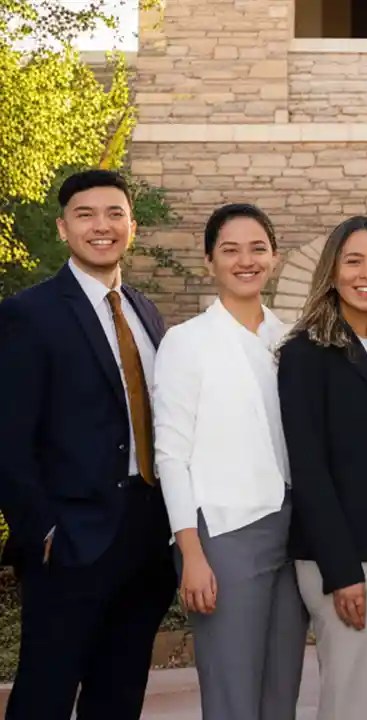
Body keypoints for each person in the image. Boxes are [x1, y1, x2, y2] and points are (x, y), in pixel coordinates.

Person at [0, 170, 176, 720]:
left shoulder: (146, 311)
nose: (102, 226)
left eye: (114, 213)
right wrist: (43, 531)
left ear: (132, 225)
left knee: (119, 696)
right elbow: (8, 438)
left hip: (147, 538)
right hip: (70, 542)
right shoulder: (29, 314)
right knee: (45, 696)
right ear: (63, 228)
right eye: (86, 214)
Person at [152, 203, 308, 720]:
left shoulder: (291, 340)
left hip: (293, 532)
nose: (246, 261)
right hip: (223, 536)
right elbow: (171, 454)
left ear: (275, 257)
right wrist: (191, 553)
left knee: (281, 693)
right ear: (209, 261)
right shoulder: (187, 342)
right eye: (231, 250)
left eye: (258, 249)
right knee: (232, 695)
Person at [278, 216, 367, 720]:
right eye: (354, 261)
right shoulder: (305, 353)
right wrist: (341, 571)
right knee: (353, 695)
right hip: (343, 542)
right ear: (332, 271)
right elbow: (308, 468)